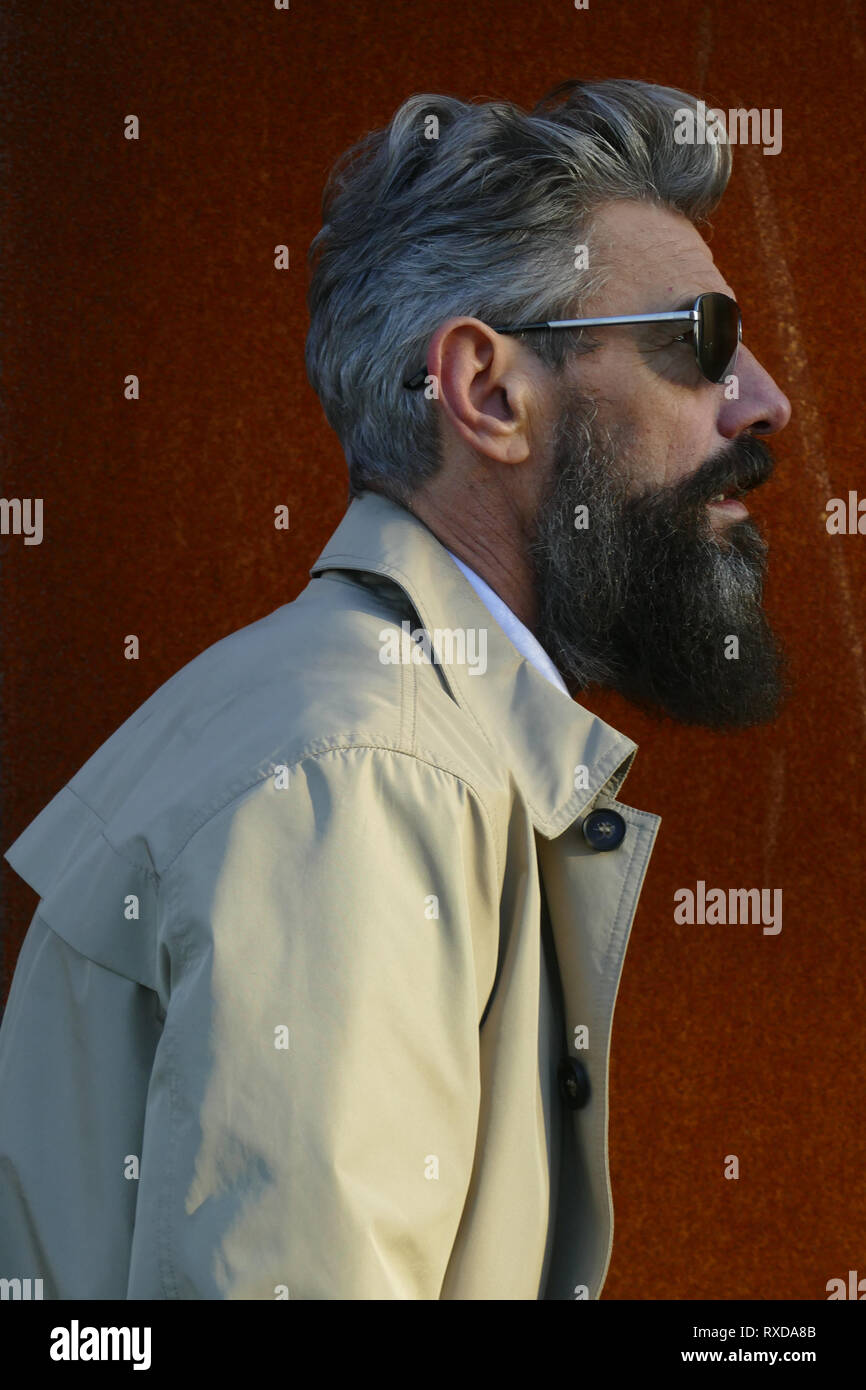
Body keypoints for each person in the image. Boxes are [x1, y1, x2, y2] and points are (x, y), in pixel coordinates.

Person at [0, 78, 791, 1300]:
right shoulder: (366, 777)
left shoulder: (361, 724)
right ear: (486, 392)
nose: (762, 400)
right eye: (698, 341)